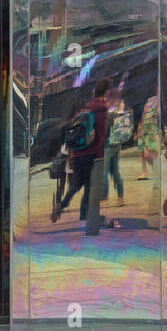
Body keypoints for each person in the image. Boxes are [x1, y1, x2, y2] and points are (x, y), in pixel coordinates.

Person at [51, 79, 110, 226]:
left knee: (77, 184)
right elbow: (101, 137)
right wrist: (100, 156)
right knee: (90, 187)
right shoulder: (101, 110)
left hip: (76, 154)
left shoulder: (85, 109)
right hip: (91, 155)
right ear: (106, 93)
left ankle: (62, 205)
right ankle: (85, 215)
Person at [101, 92, 130, 207]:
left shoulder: (108, 114)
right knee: (115, 171)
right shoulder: (118, 113)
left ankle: (104, 198)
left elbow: (105, 131)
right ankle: (120, 197)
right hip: (117, 144)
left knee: (105, 172)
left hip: (107, 145)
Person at [136, 96, 158, 180]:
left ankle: (155, 170)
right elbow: (143, 117)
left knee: (147, 154)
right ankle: (144, 172)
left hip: (151, 131)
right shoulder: (147, 103)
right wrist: (139, 130)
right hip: (144, 130)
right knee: (142, 153)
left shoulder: (156, 102)